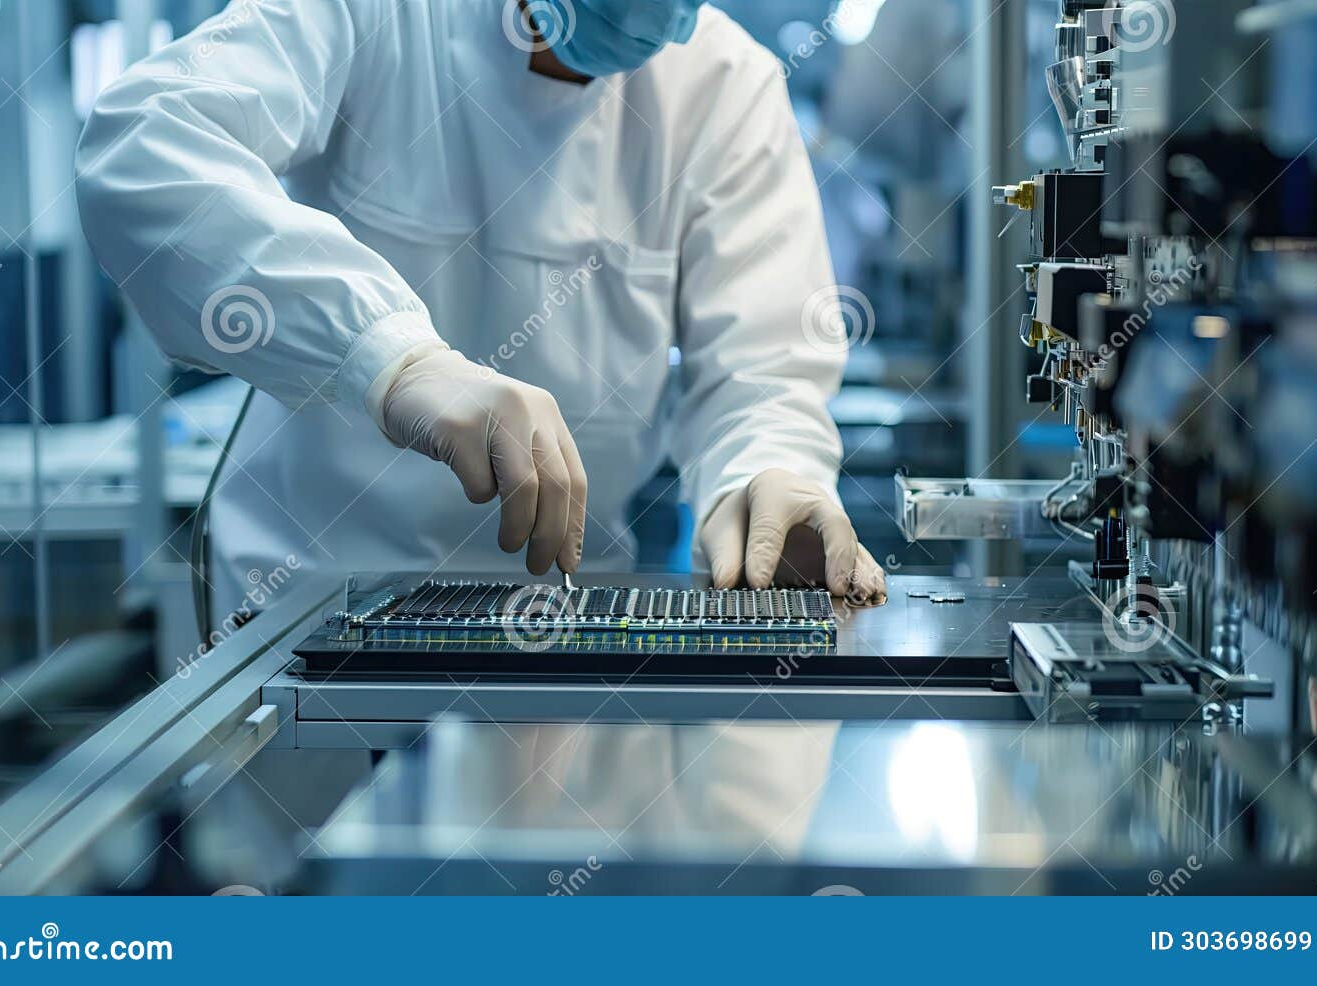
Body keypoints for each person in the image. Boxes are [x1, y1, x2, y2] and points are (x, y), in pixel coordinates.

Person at [76, 0, 888, 617]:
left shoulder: (724, 87)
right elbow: (147, 145)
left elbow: (762, 370)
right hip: (311, 607)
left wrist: (762, 473)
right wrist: (391, 359)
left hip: (570, 619)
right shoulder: (382, 18)